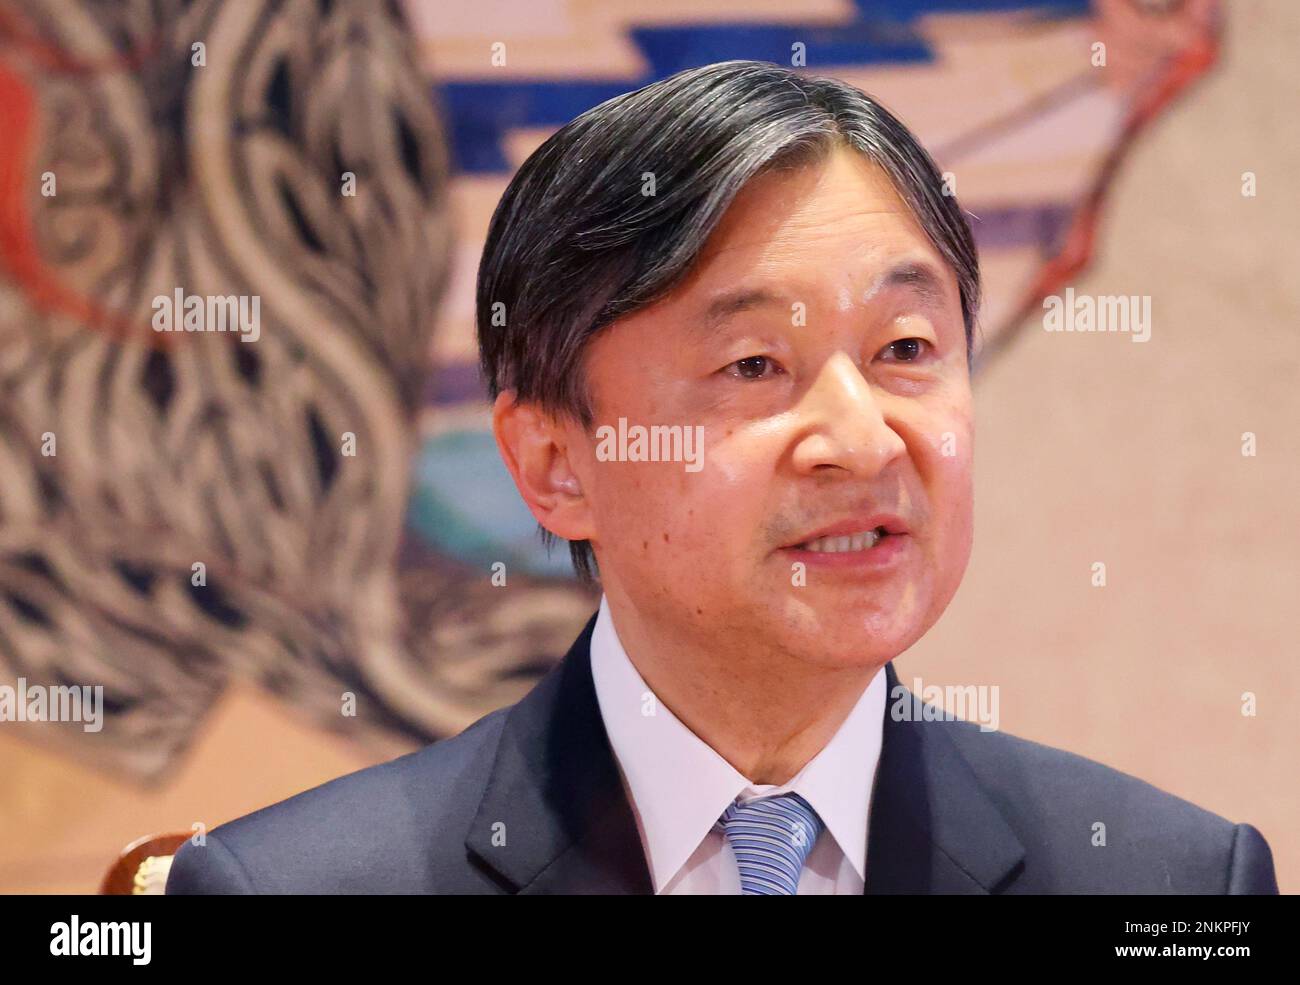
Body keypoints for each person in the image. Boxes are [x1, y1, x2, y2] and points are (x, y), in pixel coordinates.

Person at [167, 60, 1278, 895]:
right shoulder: (294, 891)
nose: (863, 438)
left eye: (904, 350)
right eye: (754, 365)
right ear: (555, 466)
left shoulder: (1170, 884)